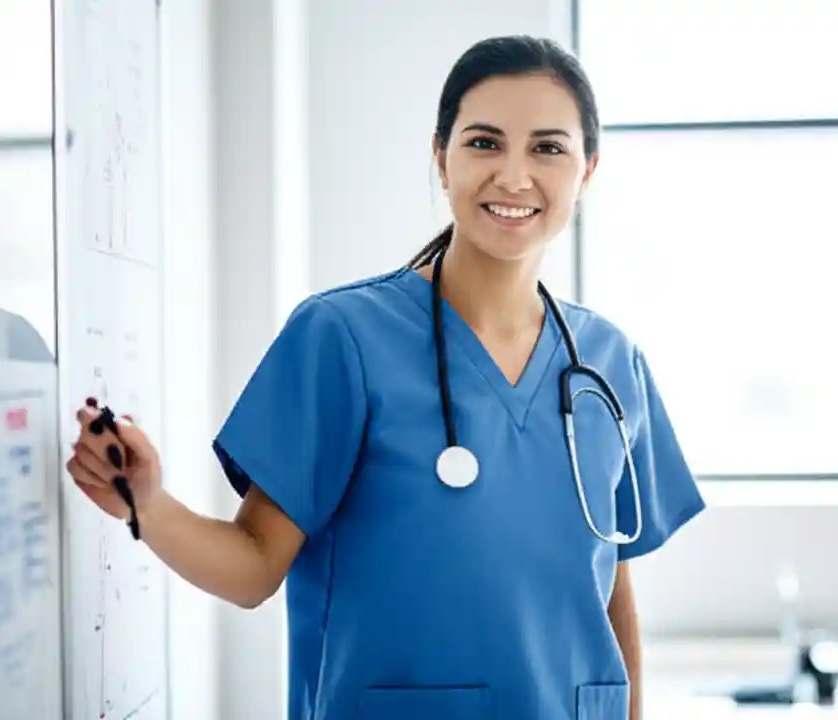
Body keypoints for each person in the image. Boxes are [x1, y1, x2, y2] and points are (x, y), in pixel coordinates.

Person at [68, 35, 704, 720]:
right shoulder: (342, 338)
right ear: (441, 157)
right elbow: (253, 566)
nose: (515, 176)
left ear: (587, 169)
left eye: (548, 148)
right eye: (484, 143)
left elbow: (612, 596)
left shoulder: (608, 364)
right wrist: (151, 505)